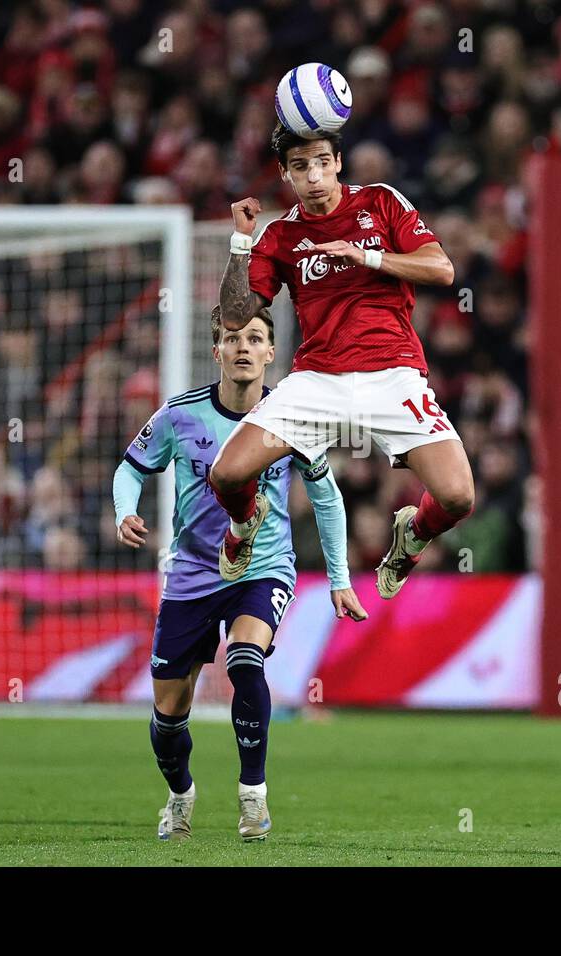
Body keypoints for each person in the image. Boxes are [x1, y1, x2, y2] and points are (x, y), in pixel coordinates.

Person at [113, 303, 366, 844]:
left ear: (272, 353)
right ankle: (180, 794)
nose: (245, 347)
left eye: (256, 338)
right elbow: (131, 467)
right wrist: (124, 511)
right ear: (217, 352)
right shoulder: (179, 414)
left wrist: (340, 578)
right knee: (169, 713)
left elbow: (326, 497)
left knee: (246, 659)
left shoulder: (293, 419)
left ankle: (254, 797)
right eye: (234, 339)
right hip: (192, 574)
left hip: (263, 568)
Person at [210, 123, 474, 602]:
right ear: (286, 174)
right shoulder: (282, 235)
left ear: (337, 163)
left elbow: (441, 268)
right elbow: (233, 315)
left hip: (393, 374)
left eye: (321, 163)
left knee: (458, 496)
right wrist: (241, 242)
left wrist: (369, 258)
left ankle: (412, 535)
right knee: (226, 475)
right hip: (317, 380)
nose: (313, 176)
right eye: (299, 166)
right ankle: (247, 520)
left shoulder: (380, 202)